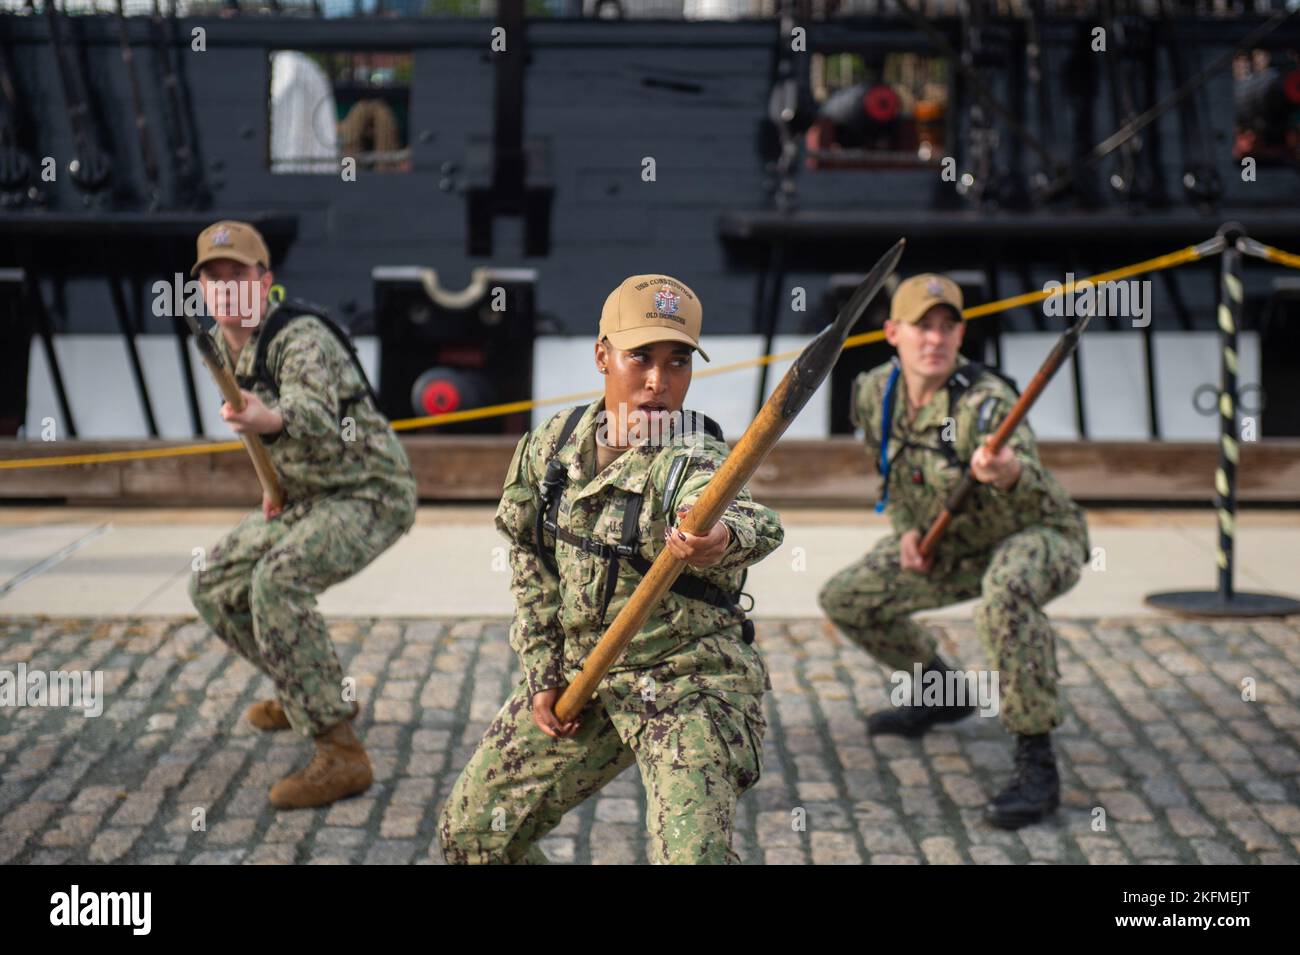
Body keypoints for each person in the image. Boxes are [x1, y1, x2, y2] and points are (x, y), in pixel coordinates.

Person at [438, 274, 784, 863]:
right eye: (640, 357)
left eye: (678, 362)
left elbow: (752, 519)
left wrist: (719, 537)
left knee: (690, 857)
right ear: (602, 355)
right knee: (472, 839)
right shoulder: (552, 448)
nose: (657, 382)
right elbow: (528, 557)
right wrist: (543, 671)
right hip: (586, 677)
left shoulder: (691, 454)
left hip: (688, 682)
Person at [819, 273, 1089, 830]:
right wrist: (905, 533)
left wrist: (1007, 470)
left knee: (1005, 597)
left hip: (1036, 533)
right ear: (893, 332)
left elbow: (1033, 478)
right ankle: (939, 692)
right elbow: (891, 477)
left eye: (948, 327)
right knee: (845, 597)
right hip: (954, 544)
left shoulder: (986, 401)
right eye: (922, 327)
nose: (936, 340)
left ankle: (1036, 761)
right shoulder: (873, 392)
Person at [186, 220, 418, 809]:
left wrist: (270, 420)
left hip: (369, 492)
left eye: (238, 275)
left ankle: (341, 754)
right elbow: (255, 427)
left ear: (265, 281)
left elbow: (309, 415)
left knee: (277, 582)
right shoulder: (218, 342)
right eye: (213, 278)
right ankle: (308, 691)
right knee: (212, 583)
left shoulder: (300, 336)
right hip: (306, 495)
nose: (226, 288)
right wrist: (274, 479)